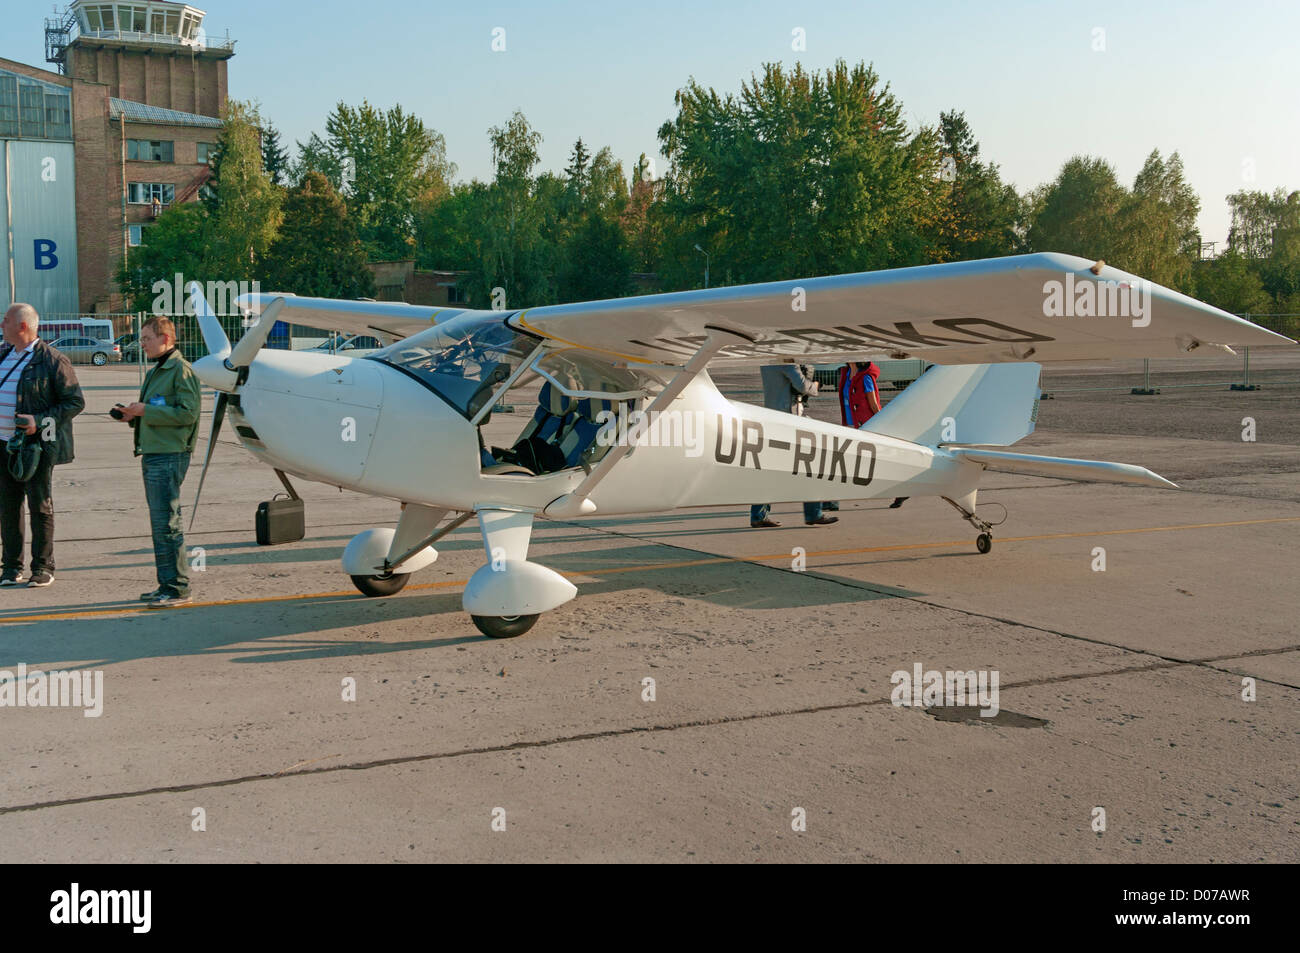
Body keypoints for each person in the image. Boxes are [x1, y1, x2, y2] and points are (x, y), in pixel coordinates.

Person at [115, 316, 201, 608]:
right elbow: (160, 410)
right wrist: (133, 415)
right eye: (141, 339)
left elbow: (187, 414)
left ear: (165, 339)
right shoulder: (159, 369)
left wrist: (146, 411)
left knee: (167, 523)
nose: (142, 344)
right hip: (154, 452)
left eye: (146, 339)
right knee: (160, 522)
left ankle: (177, 588)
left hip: (169, 454)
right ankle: (167, 584)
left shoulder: (180, 370)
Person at [0, 303, 85, 587]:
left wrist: (39, 420)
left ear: (22, 326)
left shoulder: (53, 360)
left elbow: (74, 402)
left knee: (39, 506)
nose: (2, 325)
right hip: (4, 446)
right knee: (8, 507)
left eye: (6, 320)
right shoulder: (3, 355)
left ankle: (43, 567)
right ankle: (12, 567)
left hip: (35, 447)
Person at [750, 363, 838, 528]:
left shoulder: (767, 363)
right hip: (790, 422)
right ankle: (813, 513)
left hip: (773, 419)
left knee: (771, 472)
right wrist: (817, 384)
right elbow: (803, 387)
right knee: (810, 466)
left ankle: (758, 515)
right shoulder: (788, 364)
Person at [839, 360, 906, 508]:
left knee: (879, 461)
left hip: (867, 424)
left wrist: (883, 422)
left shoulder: (865, 377)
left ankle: (901, 489)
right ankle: (831, 500)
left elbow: (873, 403)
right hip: (851, 424)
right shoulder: (846, 373)